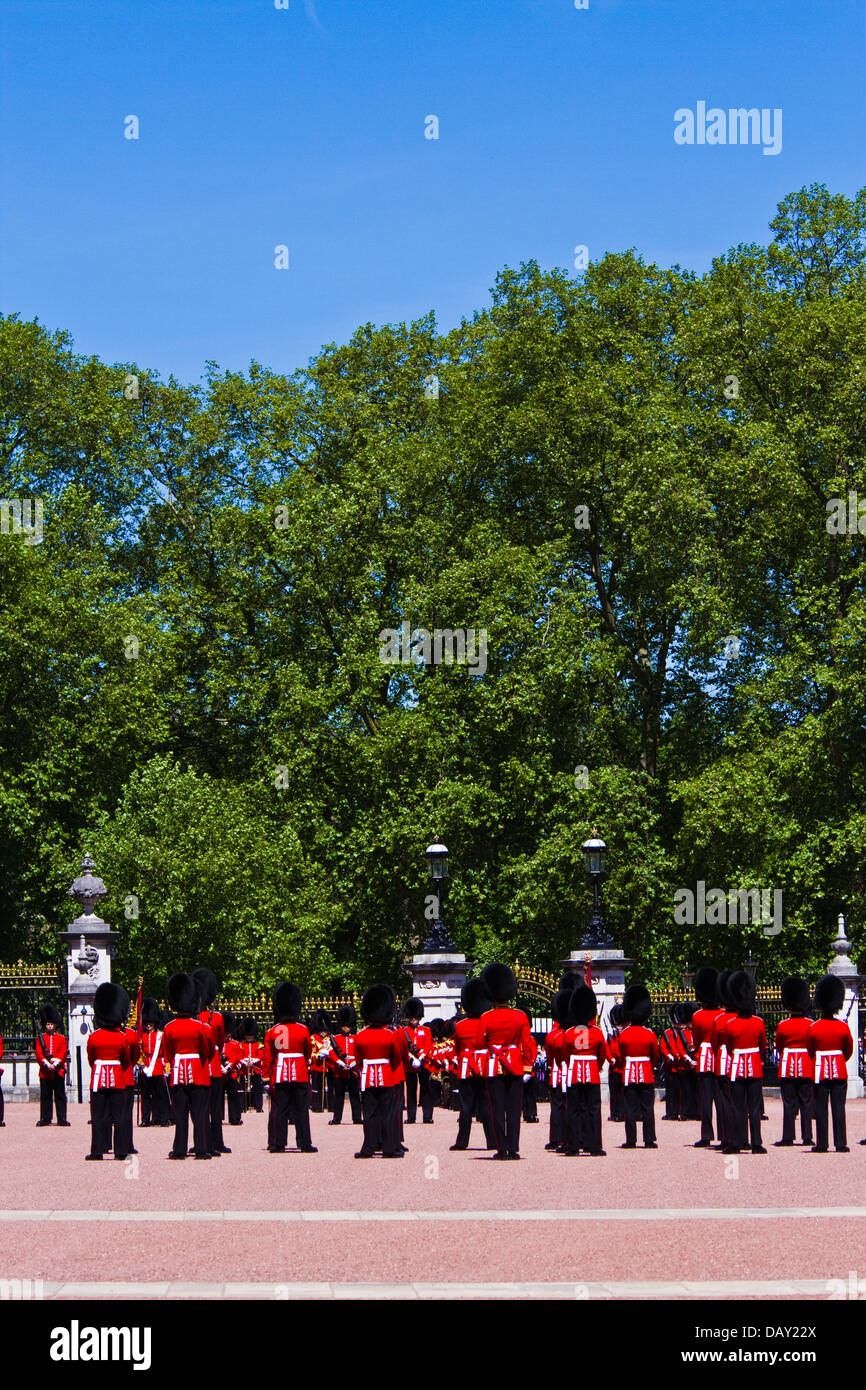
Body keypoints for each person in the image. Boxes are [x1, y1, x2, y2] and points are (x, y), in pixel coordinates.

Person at [479, 963, 537, 1160]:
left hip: (495, 1066)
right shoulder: (520, 1017)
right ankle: (513, 1148)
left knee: (497, 1109)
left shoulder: (486, 1018)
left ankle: (501, 1149)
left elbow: (481, 1043)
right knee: (514, 1110)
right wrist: (528, 1067)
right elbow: (528, 1044)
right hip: (515, 1065)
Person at [162, 973, 213, 1160]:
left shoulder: (169, 1027)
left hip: (178, 1073)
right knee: (199, 1114)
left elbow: (168, 1054)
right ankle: (201, 1148)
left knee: (181, 1115)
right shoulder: (202, 1027)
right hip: (198, 1072)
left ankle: (180, 1149)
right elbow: (208, 1051)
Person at [262, 983, 317, 1153]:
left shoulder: (273, 1031)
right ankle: (304, 1143)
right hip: (299, 1072)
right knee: (301, 1110)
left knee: (280, 1110)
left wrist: (266, 1076)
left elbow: (268, 1056)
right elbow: (308, 1051)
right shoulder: (303, 1030)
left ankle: (278, 1143)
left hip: (280, 1074)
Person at [354, 985, 403, 1158]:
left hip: (368, 1077)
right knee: (388, 1114)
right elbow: (397, 1058)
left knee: (369, 1115)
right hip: (386, 1076)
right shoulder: (390, 1035)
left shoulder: (360, 1035)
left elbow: (358, 1060)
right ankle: (389, 1149)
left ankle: (368, 1148)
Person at [85, 983, 132, 1160]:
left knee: (98, 1117)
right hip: (117, 1080)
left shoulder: (94, 1037)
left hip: (98, 1078)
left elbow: (91, 1059)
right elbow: (126, 1060)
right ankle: (120, 1151)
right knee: (119, 1117)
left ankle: (97, 1151)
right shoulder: (121, 1037)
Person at [722, 971, 767, 1155]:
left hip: (737, 1068)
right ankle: (756, 1143)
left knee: (737, 1106)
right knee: (755, 1107)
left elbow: (729, 1047)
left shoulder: (730, 1024)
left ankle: (736, 1141)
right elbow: (763, 1047)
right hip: (755, 1067)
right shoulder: (759, 1023)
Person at [807, 974, 853, 1153]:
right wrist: (839, 1061)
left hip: (820, 1071)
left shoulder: (814, 1027)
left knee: (820, 1109)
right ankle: (840, 1143)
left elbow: (810, 1051)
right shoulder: (843, 1027)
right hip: (839, 1070)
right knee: (838, 1108)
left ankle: (822, 1143)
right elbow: (848, 1050)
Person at [611, 985, 660, 1150]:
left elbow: (618, 1055)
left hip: (629, 1073)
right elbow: (655, 1057)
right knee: (648, 1108)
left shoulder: (623, 1035)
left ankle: (631, 1140)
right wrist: (648, 1065)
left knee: (630, 1109)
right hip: (646, 1073)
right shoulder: (650, 1034)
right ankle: (649, 1140)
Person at [562, 983, 609, 1156]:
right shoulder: (597, 1033)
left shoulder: (569, 1033)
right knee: (593, 1110)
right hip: (592, 1073)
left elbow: (566, 1055)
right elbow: (602, 1054)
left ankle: (574, 1146)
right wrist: (597, 1067)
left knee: (574, 1110)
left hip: (574, 1073)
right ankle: (594, 1146)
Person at [452, 979, 495, 1151]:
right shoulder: (488, 1022)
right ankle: (492, 1141)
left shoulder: (460, 1026)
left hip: (466, 1068)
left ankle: (462, 1142)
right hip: (484, 1066)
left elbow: (457, 1048)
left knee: (466, 1107)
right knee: (486, 1105)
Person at [193, 967, 231, 1157]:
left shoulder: (193, 1019)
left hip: (197, 1066)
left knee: (200, 1108)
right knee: (216, 1108)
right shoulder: (216, 1018)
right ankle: (217, 1142)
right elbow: (220, 1043)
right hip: (213, 1065)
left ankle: (202, 1141)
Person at [773, 976, 814, 1147]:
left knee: (789, 1103)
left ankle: (788, 1137)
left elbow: (779, 1046)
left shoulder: (783, 1025)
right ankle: (807, 1137)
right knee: (806, 1102)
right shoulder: (810, 1024)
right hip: (805, 1065)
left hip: (788, 1065)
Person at [690, 967, 721, 1148]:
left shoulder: (697, 1016)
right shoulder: (723, 1015)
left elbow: (696, 1039)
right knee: (722, 1099)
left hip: (704, 1058)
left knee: (706, 1101)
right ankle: (724, 1134)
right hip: (719, 1059)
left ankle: (707, 1135)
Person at [544, 989, 572, 1152]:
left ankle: (555, 1138)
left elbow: (549, 1057)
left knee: (556, 1107)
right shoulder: (575, 1033)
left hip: (556, 1073)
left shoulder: (552, 1036)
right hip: (571, 1072)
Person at [35, 1003, 69, 1126]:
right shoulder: (41, 1038)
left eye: (51, 1024)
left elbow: (63, 1052)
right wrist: (46, 1063)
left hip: (57, 1070)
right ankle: (46, 1118)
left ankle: (62, 1118)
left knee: (60, 1095)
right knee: (45, 1096)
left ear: (55, 1025)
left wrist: (55, 1063)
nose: (49, 1026)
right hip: (45, 1071)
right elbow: (39, 1053)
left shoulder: (61, 1038)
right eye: (47, 1024)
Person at [401, 998, 434, 1123]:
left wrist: (420, 1057)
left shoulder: (426, 1031)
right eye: (411, 1017)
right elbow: (403, 1046)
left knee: (426, 1089)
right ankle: (411, 1116)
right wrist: (411, 1057)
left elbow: (428, 1046)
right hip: (410, 1064)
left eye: (415, 1017)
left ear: (419, 1017)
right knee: (411, 1090)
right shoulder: (404, 1031)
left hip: (423, 1063)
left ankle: (427, 1116)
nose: (413, 1019)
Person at [328, 1005, 362, 1125]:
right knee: (338, 1096)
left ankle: (357, 1117)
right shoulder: (336, 1038)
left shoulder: (356, 1038)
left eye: (347, 1026)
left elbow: (360, 1053)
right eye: (343, 1026)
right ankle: (337, 1118)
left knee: (355, 1095)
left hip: (353, 1070)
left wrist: (353, 1063)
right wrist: (341, 1063)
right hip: (340, 1070)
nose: (345, 1028)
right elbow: (331, 1053)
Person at [604, 1002, 626, 1123]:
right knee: (614, 1093)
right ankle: (614, 1113)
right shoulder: (611, 1035)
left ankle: (621, 1113)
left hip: (623, 1067)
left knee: (622, 1093)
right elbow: (607, 1049)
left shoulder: (625, 1034)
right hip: (614, 1068)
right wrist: (611, 1059)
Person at [222, 1011, 244, 1126]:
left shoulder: (235, 1044)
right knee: (217, 1096)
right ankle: (217, 1117)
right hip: (220, 1072)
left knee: (233, 1095)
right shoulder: (217, 1043)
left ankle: (234, 1117)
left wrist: (228, 1066)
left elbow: (236, 1057)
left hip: (231, 1073)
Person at [238, 1018, 264, 1112]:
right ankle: (243, 1106)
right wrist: (244, 1061)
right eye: (248, 1035)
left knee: (257, 1088)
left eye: (251, 1035)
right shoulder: (241, 1045)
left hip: (255, 1068)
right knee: (243, 1088)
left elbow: (261, 1056)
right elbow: (239, 1056)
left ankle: (258, 1106)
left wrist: (254, 1060)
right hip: (244, 1069)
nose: (249, 1037)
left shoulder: (258, 1045)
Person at [309, 1011, 332, 1114]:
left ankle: (329, 1104)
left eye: (325, 1031)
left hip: (328, 1066)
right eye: (321, 1031)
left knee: (329, 1087)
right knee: (317, 1087)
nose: (323, 1033)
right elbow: (310, 1054)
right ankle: (317, 1105)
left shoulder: (331, 1038)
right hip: (317, 1066)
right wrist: (317, 1055)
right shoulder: (313, 1039)